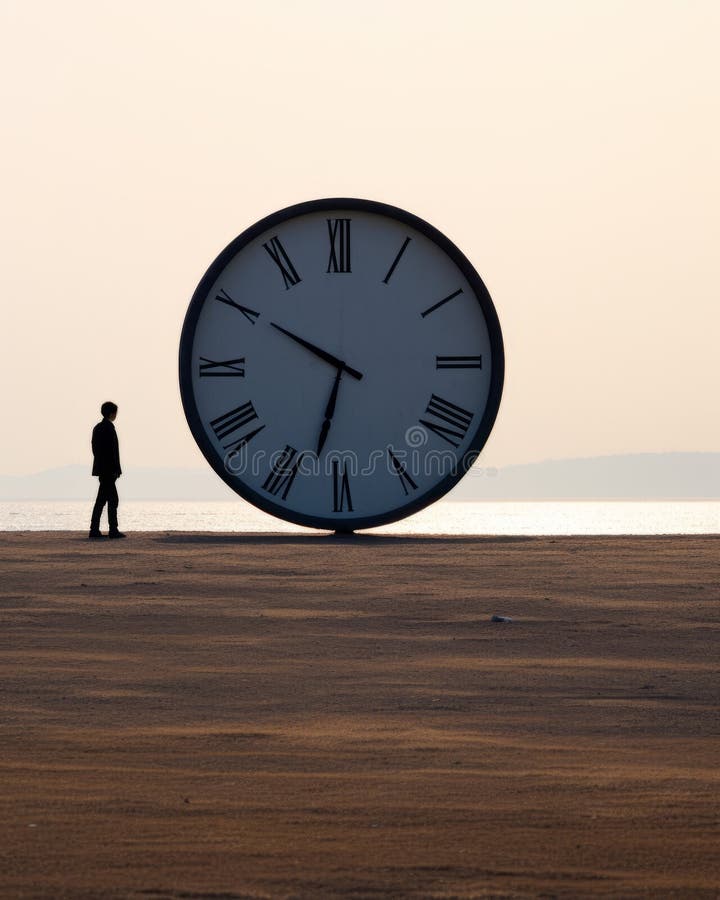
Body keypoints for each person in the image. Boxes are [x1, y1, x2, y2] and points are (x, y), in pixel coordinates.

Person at [89, 401, 125, 539]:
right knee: (112, 500)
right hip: (109, 470)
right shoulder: (109, 428)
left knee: (102, 499)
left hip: (102, 469)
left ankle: (95, 529)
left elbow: (95, 449)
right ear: (111, 413)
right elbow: (112, 452)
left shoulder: (97, 428)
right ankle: (112, 530)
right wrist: (115, 469)